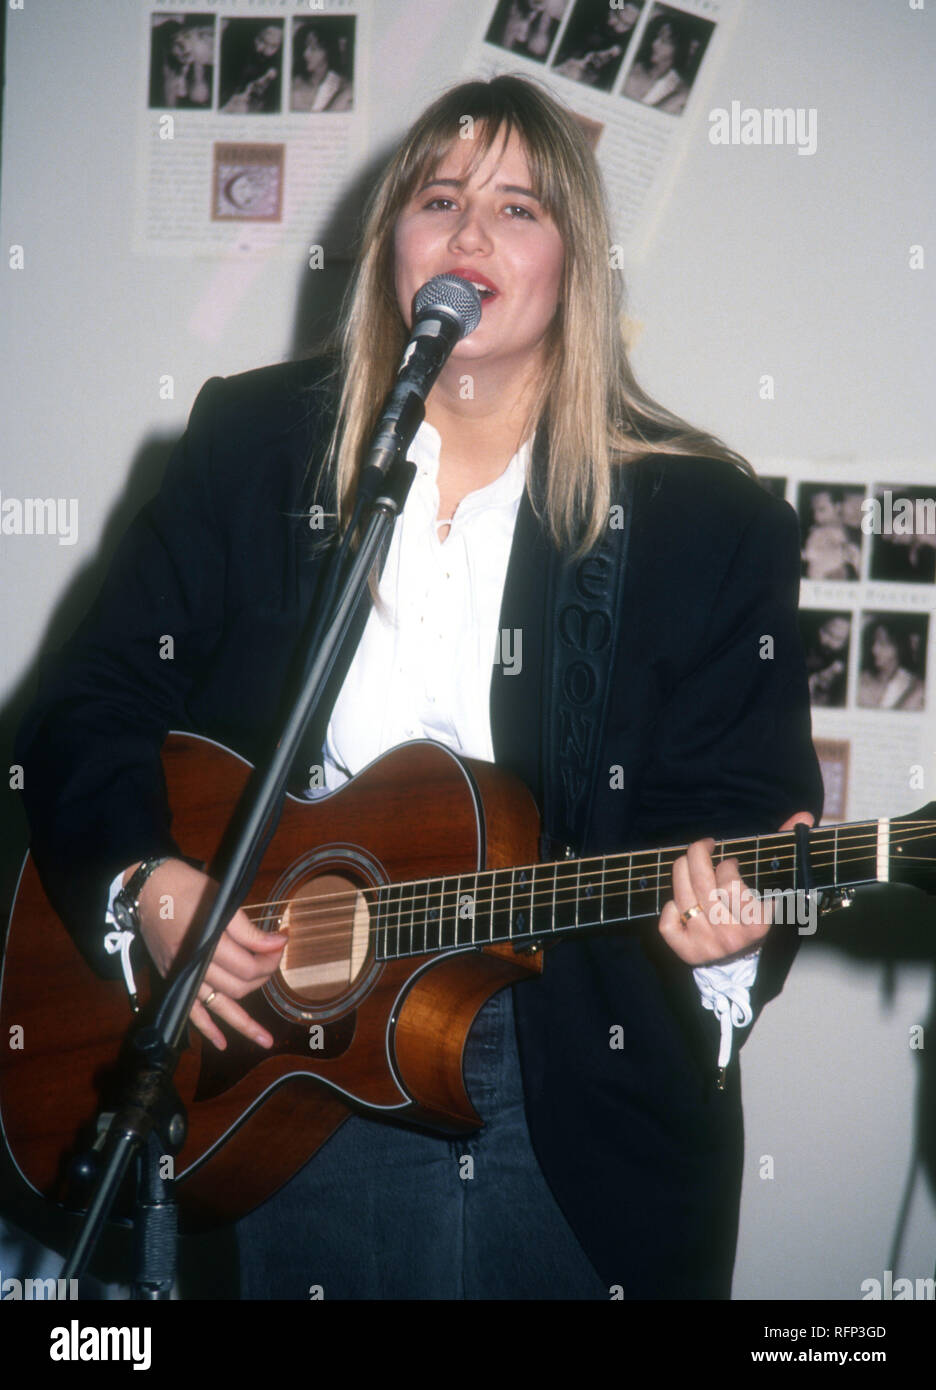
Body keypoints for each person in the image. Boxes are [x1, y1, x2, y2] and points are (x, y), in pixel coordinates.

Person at [15, 76, 821, 1299]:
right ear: (393, 241)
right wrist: (150, 888)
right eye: (440, 199)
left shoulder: (703, 517)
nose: (471, 235)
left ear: (576, 266)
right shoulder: (253, 445)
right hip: (284, 1064)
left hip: (576, 1088)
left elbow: (745, 806)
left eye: (520, 207)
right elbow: (86, 699)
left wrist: (726, 945)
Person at [622, 12, 696, 115]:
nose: (655, 44)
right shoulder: (632, 68)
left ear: (678, 49)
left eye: (664, 41)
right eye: (656, 37)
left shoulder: (680, 89)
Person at [857, 616, 925, 710]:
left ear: (899, 647)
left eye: (883, 643)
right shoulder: (861, 679)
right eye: (873, 642)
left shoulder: (913, 685)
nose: (874, 649)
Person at [290, 22, 353, 113]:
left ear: (328, 51)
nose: (305, 54)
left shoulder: (342, 87)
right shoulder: (294, 84)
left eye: (314, 48)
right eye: (304, 48)